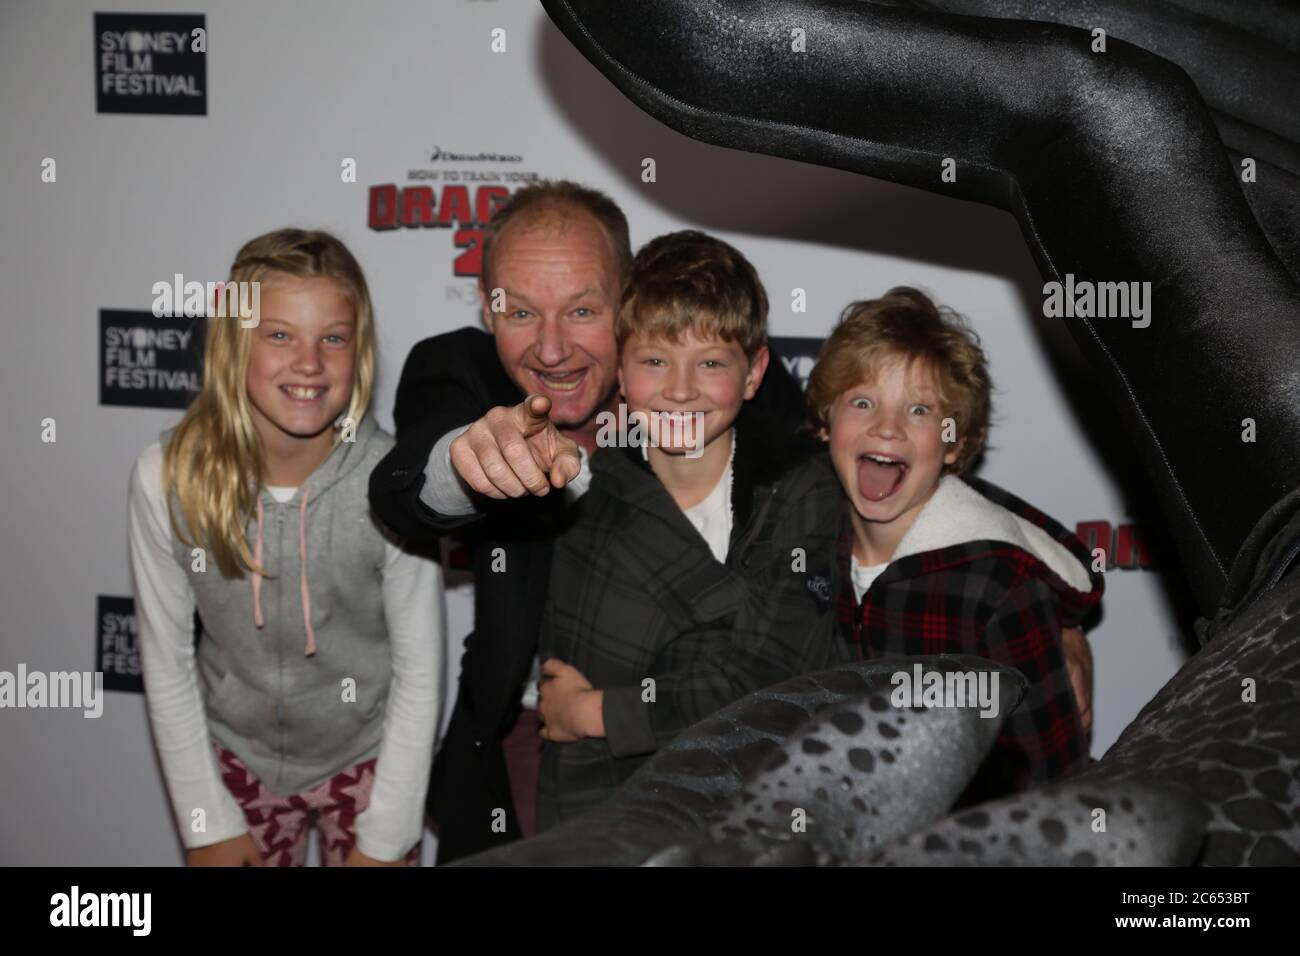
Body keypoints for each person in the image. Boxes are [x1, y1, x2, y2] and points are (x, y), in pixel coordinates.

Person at [368, 181, 806, 862]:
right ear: (487, 308)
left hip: (704, 748)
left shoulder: (721, 383)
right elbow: (403, 489)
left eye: (581, 310)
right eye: (519, 313)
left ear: (631, 300)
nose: (551, 350)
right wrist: (471, 465)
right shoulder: (460, 373)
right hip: (520, 742)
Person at [128, 229, 443, 866]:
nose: (309, 362)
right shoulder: (167, 476)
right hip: (234, 765)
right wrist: (204, 822)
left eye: (333, 337)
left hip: (369, 763)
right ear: (234, 343)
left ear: (360, 350)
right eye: (279, 335)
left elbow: (420, 671)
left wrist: (386, 839)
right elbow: (165, 664)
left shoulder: (394, 482)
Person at [533, 230, 847, 827]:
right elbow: (566, 680)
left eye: (710, 363)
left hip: (759, 809)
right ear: (620, 372)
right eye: (655, 361)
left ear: (754, 373)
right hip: (613, 811)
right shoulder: (586, 499)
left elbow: (776, 686)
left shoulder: (801, 489)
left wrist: (597, 713)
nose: (679, 389)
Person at [809, 287, 1102, 803]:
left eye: (919, 410)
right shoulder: (801, 538)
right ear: (825, 422)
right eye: (862, 401)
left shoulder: (997, 584)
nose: (886, 426)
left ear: (955, 444)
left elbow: (1053, 781)